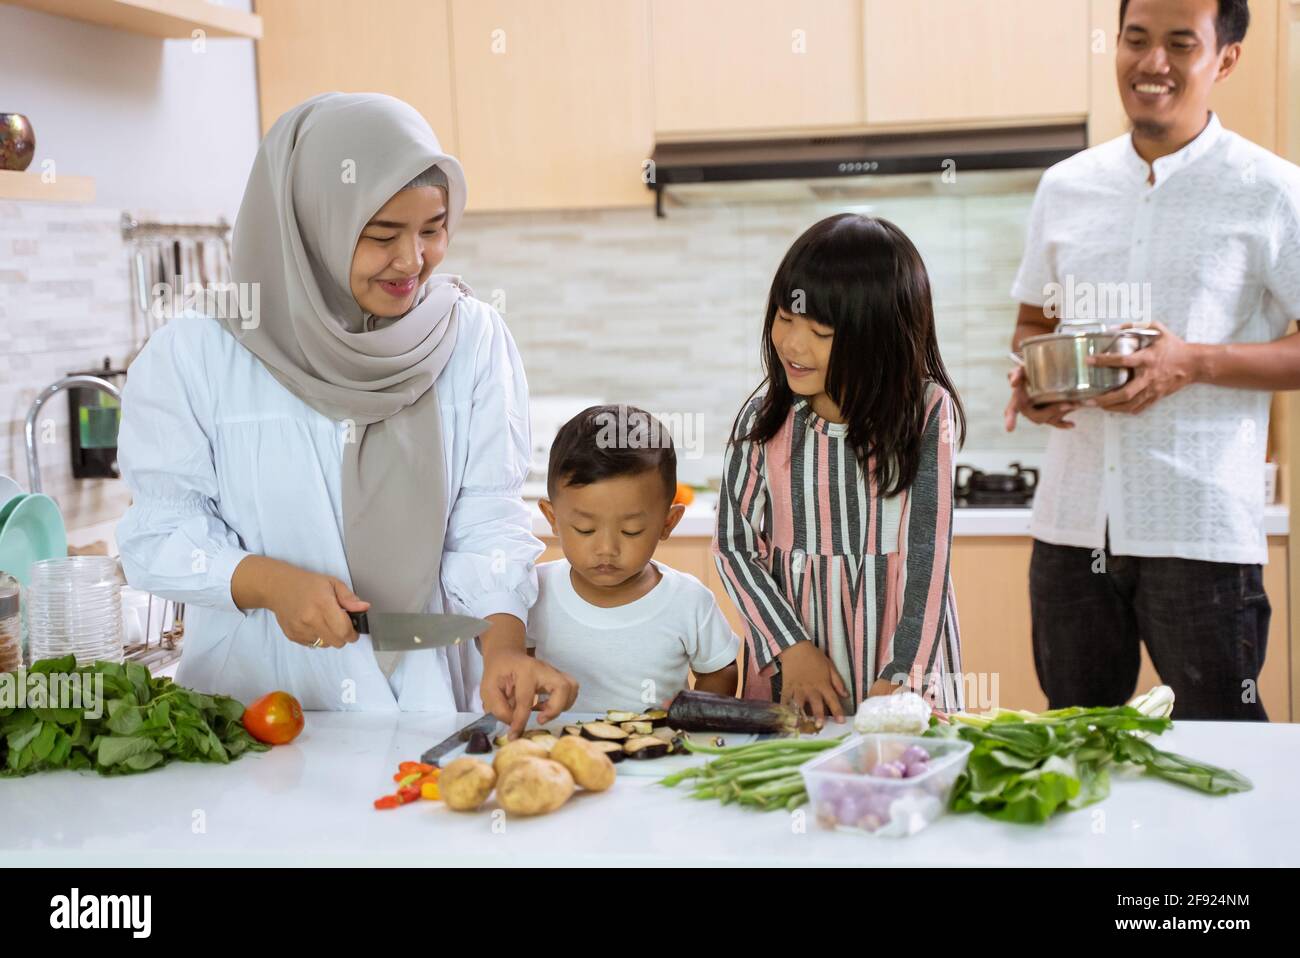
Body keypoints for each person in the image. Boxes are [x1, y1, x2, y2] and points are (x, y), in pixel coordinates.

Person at [117, 93, 577, 734]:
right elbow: (157, 536)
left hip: (430, 718)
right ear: (310, 225)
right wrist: (265, 582)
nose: (413, 261)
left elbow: (488, 520)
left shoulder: (470, 337)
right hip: (259, 723)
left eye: (433, 229)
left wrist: (501, 646)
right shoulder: (194, 354)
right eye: (382, 235)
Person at [1004, 0, 1300, 719]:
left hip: (1198, 526)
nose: (1152, 63)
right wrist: (1036, 382)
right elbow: (1032, 324)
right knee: (1073, 742)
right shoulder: (1066, 185)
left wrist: (1191, 362)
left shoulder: (1271, 190)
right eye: (1135, 40)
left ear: (1224, 59)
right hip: (1071, 528)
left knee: (1221, 746)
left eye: (1179, 43)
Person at [714, 213, 966, 725]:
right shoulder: (765, 417)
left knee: (903, 782)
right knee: (790, 787)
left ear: (877, 336)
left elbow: (927, 557)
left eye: (820, 331)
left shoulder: (928, 413)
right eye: (785, 317)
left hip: (900, 656)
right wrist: (792, 649)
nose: (792, 344)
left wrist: (902, 677)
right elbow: (733, 546)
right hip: (794, 656)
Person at [529, 405, 740, 712]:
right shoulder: (534, 591)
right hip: (561, 754)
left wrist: (695, 713)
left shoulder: (689, 600)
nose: (607, 548)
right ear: (552, 517)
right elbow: (516, 665)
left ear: (668, 523)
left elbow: (720, 670)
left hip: (657, 752)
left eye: (631, 531)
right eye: (585, 529)